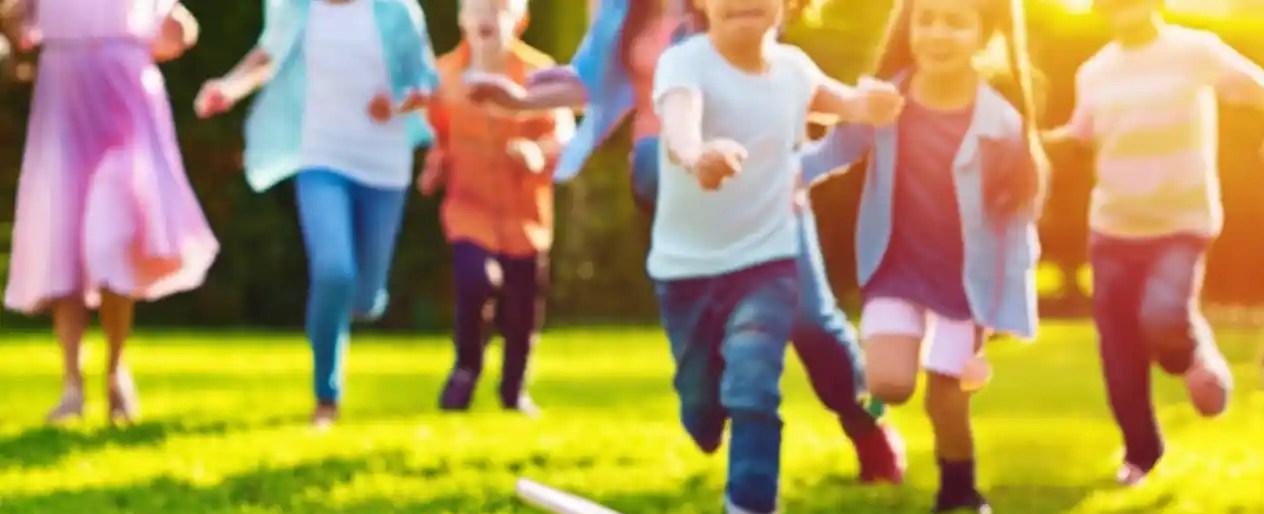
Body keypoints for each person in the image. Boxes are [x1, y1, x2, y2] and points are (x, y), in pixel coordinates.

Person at [466, 0, 909, 484]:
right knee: (659, 167)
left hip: (765, 189)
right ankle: (712, 389)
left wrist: (862, 108)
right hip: (674, 175)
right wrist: (518, 101)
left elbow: (793, 86)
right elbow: (593, 81)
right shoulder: (626, 12)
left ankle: (864, 422)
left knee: (811, 324)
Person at [650, 0, 904, 514]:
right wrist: (698, 155)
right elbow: (679, 124)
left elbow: (847, 104)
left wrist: (872, 103)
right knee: (701, 411)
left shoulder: (794, 69)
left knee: (764, 374)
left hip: (769, 255)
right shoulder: (686, 62)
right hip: (686, 269)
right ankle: (705, 411)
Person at [802, 0, 1047, 514]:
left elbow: (1015, 229)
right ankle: (871, 411)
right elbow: (833, 151)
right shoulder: (887, 100)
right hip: (896, 271)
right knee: (890, 381)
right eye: (926, 19)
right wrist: (786, 177)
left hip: (966, 289)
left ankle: (959, 489)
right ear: (908, 27)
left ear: (985, 34)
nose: (938, 33)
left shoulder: (1000, 122)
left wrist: (1001, 310)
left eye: (956, 22)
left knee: (947, 399)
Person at [1044, 0, 1264, 484]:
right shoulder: (1096, 71)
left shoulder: (1194, 51)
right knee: (1119, 350)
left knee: (1163, 316)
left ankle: (1190, 352)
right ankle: (1140, 454)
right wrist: (1032, 141)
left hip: (1181, 224)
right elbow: (1081, 133)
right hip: (1112, 228)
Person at [194, 0, 437, 428]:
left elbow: (425, 83)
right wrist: (229, 87)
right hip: (321, 158)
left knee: (363, 298)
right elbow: (267, 55)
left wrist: (397, 105)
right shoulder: (297, 8)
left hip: (384, 167)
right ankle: (326, 397)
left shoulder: (396, 10)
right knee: (333, 272)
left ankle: (361, 302)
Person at [3, 0, 218, 426]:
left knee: (114, 237)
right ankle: (71, 384)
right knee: (62, 240)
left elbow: (177, 27)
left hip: (125, 101)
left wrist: (162, 30)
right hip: (64, 96)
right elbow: (15, 19)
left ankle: (116, 368)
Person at [420, 0, 575, 417]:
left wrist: (539, 153)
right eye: (477, 7)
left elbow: (563, 128)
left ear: (519, 21)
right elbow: (434, 128)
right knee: (475, 281)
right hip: (468, 208)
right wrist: (433, 164)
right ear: (461, 18)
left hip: (525, 215)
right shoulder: (445, 75)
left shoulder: (539, 72)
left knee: (523, 308)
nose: (487, 15)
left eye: (499, 7)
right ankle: (466, 367)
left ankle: (514, 388)